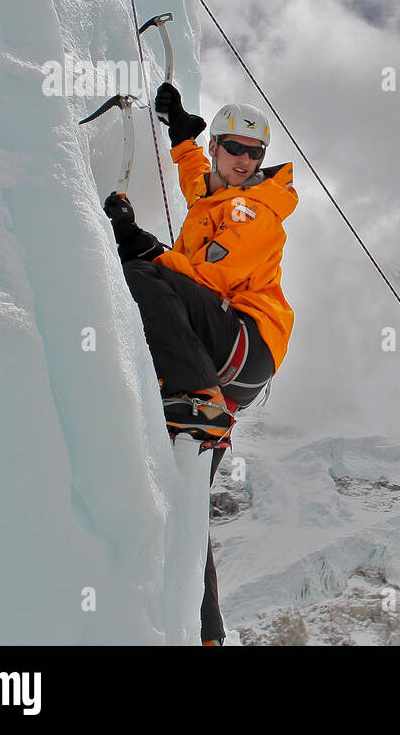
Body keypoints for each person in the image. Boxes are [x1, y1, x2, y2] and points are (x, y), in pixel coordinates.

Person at [102, 81, 298, 645]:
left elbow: (214, 278)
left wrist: (141, 243)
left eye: (253, 153)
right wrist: (183, 137)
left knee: (143, 275)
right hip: (228, 359)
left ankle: (194, 398)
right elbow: (200, 190)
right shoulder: (219, 194)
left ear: (262, 161)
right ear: (219, 148)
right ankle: (205, 634)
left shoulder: (257, 212)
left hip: (243, 344)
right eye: (232, 147)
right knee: (189, 511)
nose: (242, 159)